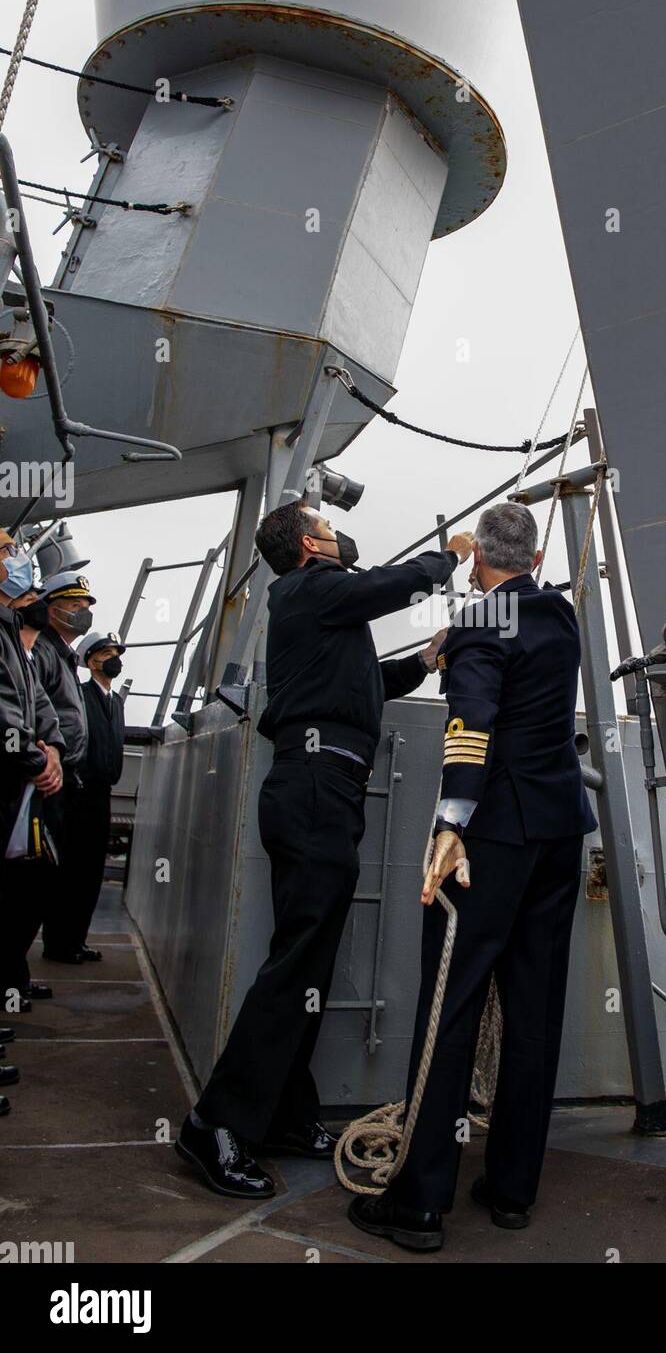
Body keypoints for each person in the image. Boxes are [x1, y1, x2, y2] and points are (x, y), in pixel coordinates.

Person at [175, 501, 474, 1199]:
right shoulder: (311, 589)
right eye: (326, 523)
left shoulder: (321, 611)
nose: (339, 530)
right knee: (294, 967)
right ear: (311, 544)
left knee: (308, 964)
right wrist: (451, 555)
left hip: (323, 791)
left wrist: (428, 659)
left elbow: (367, 684)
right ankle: (213, 1124)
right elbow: (392, 588)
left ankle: (282, 1114)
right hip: (314, 791)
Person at [349, 502, 597, 1253]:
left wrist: (451, 824)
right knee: (534, 1011)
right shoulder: (560, 615)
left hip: (488, 839)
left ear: (482, 559)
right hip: (558, 834)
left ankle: (421, 1203)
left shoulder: (484, 621)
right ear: (538, 550)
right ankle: (512, 1188)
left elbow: (473, 725)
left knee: (449, 1012)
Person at [0, 536, 65, 1112]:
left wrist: (52, 753)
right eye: (8, 550)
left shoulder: (16, 644)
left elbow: (39, 709)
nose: (18, 557)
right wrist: (35, 758)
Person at [31, 572, 94, 965]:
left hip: (67, 776)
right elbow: (35, 711)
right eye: (75, 607)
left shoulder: (63, 656)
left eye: (86, 608)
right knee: (32, 880)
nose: (82, 614)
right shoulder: (43, 653)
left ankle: (14, 977)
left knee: (46, 878)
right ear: (51, 608)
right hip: (46, 778)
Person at [66, 631, 127, 963]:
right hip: (81, 793)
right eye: (105, 653)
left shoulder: (116, 703)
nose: (113, 658)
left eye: (115, 652)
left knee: (92, 872)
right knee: (74, 870)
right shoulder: (80, 694)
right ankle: (61, 942)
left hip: (103, 794)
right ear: (90, 661)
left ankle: (78, 939)